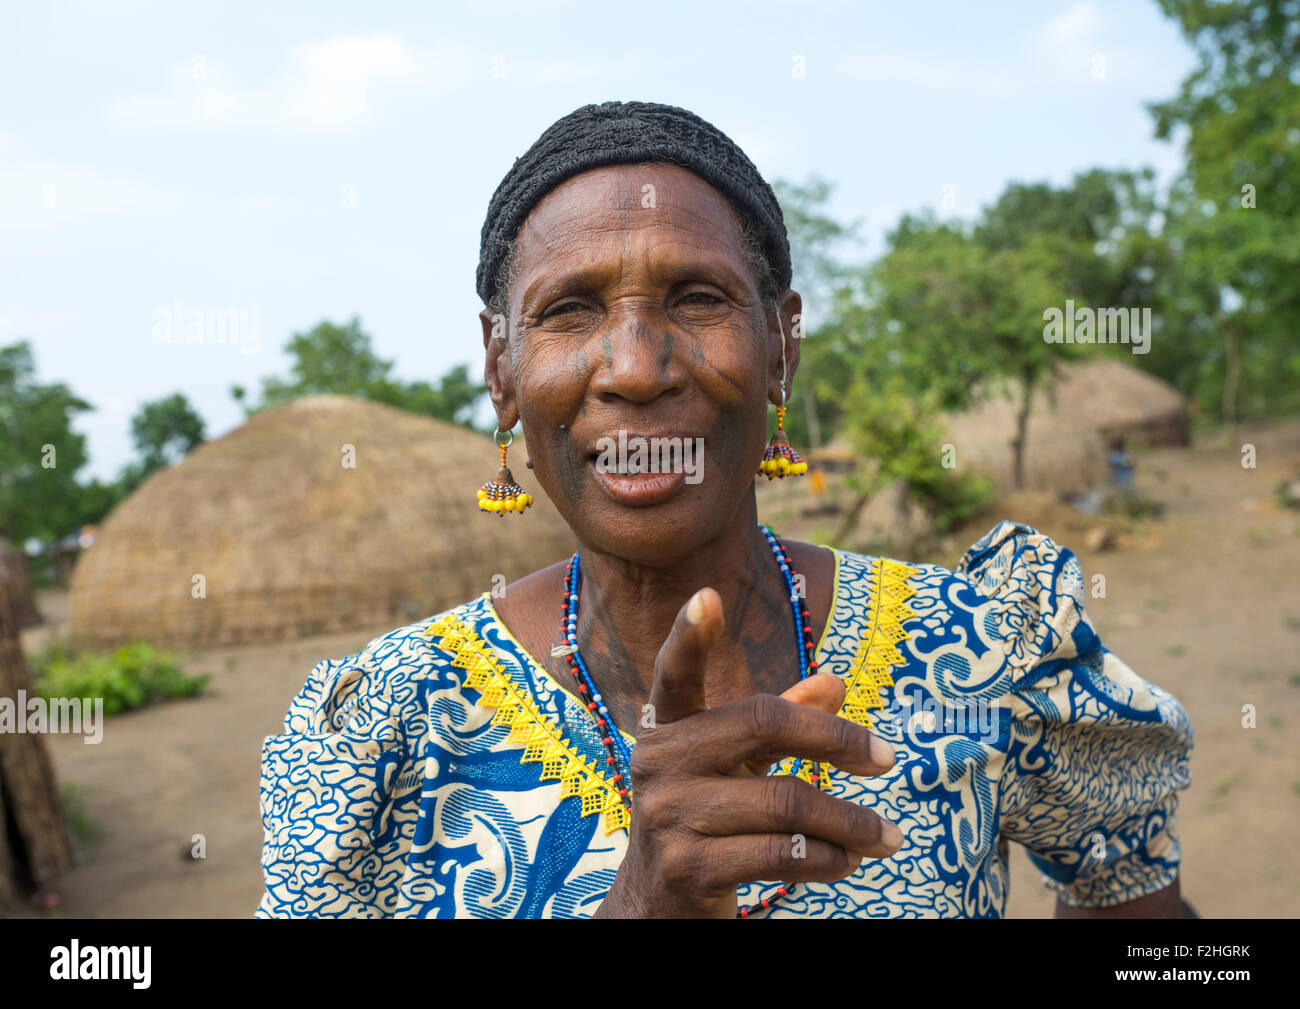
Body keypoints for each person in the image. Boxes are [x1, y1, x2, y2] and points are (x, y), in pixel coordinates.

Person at [255, 101, 1193, 919]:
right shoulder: (390, 729)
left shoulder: (983, 650)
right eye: (570, 310)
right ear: (502, 373)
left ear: (780, 346)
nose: (633, 367)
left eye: (698, 298)